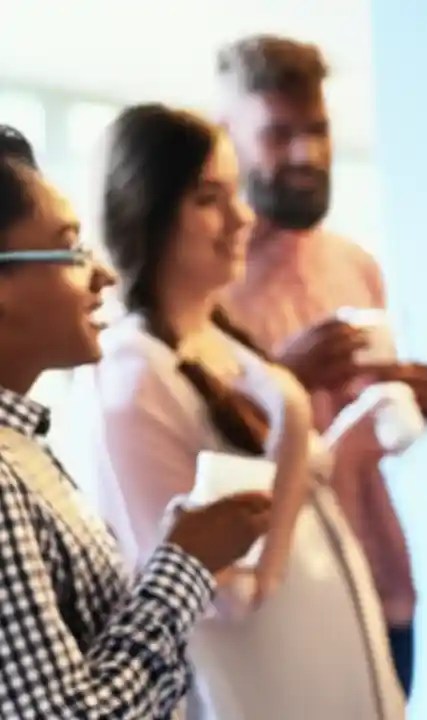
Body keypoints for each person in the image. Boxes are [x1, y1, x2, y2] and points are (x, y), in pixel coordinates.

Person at [70, 104, 404, 719]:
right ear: (149, 211)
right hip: (251, 687)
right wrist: (298, 458)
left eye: (236, 192)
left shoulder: (220, 338)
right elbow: (211, 591)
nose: (242, 217)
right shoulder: (134, 373)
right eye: (208, 198)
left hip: (319, 665)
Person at [0, 123, 271, 718]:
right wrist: (187, 566)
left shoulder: (23, 448)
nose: (103, 277)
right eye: (71, 249)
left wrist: (181, 552)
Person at [213, 33, 427, 694]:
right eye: (278, 134)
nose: (307, 155)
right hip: (280, 600)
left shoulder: (355, 265)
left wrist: (409, 404)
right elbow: (192, 461)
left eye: (318, 130)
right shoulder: (209, 284)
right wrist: (286, 379)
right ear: (228, 137)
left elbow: (365, 442)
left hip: (380, 575)